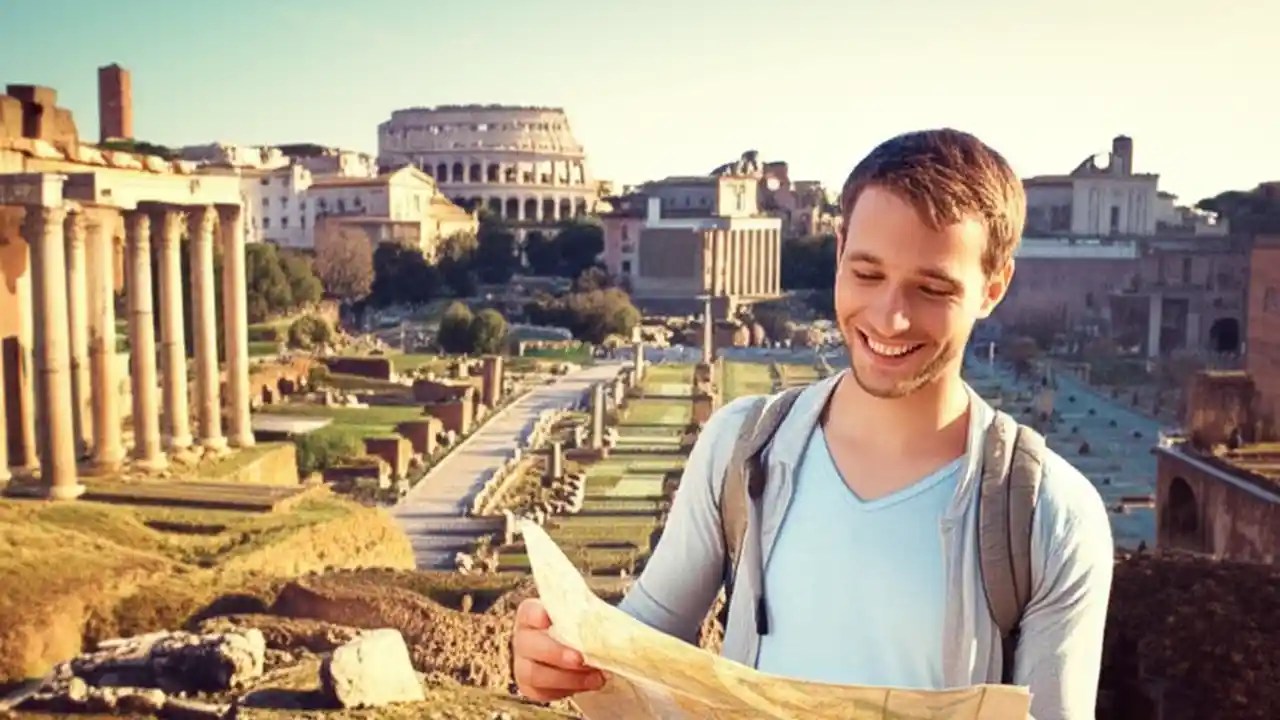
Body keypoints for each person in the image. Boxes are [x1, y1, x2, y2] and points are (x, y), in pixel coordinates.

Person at [512, 129, 1114, 720]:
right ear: (839, 254)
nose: (890, 317)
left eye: (932, 288)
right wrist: (558, 655)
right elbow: (639, 641)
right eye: (868, 274)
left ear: (994, 287)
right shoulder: (739, 448)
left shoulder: (1050, 516)